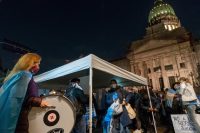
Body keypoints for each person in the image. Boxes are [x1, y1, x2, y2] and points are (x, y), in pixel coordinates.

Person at [0, 53, 48, 133]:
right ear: (31, 63)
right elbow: (20, 97)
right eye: (38, 63)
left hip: (10, 115)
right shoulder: (25, 76)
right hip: (19, 118)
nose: (38, 67)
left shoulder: (15, 75)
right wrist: (39, 102)